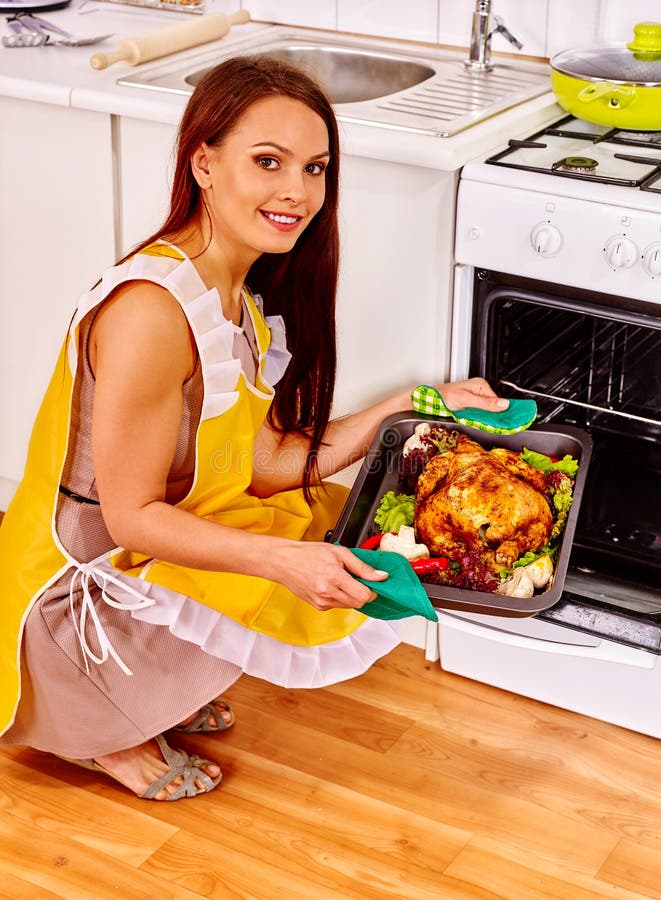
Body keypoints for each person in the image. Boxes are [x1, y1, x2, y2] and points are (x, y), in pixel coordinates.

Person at [0, 56, 507, 801]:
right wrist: (279, 563)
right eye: (267, 162)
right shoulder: (151, 313)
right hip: (76, 589)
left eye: (314, 168)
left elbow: (264, 462)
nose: (295, 192)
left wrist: (402, 409)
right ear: (203, 162)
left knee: (330, 522)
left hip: (133, 553)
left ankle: (147, 689)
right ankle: (97, 726)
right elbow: (131, 520)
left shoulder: (231, 299)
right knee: (290, 555)